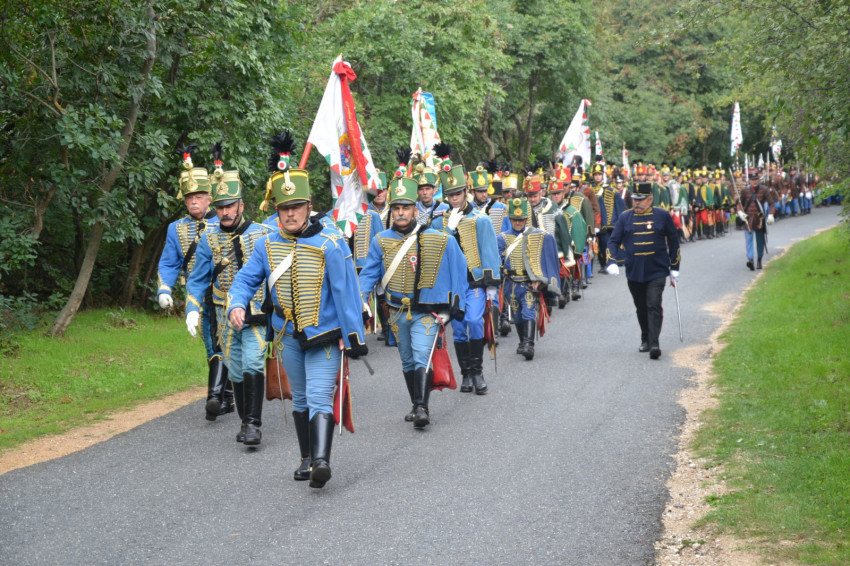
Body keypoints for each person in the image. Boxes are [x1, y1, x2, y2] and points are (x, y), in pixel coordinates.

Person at [228, 132, 366, 488]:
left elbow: (347, 293)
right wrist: (237, 303)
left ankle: (321, 461)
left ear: (308, 207)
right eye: (284, 209)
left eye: (296, 208)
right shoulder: (265, 244)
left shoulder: (331, 243)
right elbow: (244, 280)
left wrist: (353, 337)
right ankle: (306, 457)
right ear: (277, 211)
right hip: (286, 334)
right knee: (301, 397)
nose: (290, 214)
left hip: (324, 334)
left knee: (320, 394)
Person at [358, 174, 468, 427]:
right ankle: (415, 402)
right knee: (407, 359)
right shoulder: (380, 240)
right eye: (396, 208)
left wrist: (453, 306)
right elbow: (369, 275)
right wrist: (360, 299)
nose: (400, 213)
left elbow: (458, 268)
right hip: (395, 310)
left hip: (426, 310)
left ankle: (422, 407)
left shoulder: (438, 237)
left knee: (421, 355)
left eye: (405, 208)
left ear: (414, 209)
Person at [157, 145, 231, 421]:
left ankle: (218, 396)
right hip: (199, 295)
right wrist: (164, 288)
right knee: (212, 343)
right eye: (190, 197)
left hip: (229, 291)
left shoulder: (226, 222)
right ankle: (223, 395)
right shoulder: (175, 229)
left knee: (227, 343)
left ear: (210, 197)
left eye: (199, 196)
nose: (194, 202)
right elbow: (168, 262)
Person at [430, 148, 501, 395]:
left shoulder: (481, 219)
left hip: (475, 282)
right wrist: (447, 230)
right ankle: (466, 375)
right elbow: (436, 253)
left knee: (473, 321)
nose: (454, 199)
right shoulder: (439, 222)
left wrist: (491, 286)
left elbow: (489, 252)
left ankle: (478, 371)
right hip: (452, 285)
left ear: (466, 192)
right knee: (459, 327)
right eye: (450, 195)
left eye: (458, 194)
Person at [605, 182, 681, 360]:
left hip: (657, 270)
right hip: (634, 271)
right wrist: (611, 261)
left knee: (653, 304)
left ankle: (655, 343)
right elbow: (613, 241)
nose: (637, 203)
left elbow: (673, 240)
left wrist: (674, 266)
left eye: (641, 200)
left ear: (650, 199)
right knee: (641, 307)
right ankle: (645, 337)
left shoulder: (662, 216)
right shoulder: (625, 217)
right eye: (634, 199)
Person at [498, 197, 561, 360]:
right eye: (514, 220)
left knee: (528, 312)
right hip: (510, 284)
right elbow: (497, 260)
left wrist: (539, 278)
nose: (518, 223)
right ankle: (522, 341)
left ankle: (529, 344)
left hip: (528, 283)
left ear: (526, 219)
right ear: (510, 219)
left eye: (521, 220)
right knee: (517, 316)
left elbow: (543, 257)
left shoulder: (536, 236)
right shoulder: (501, 238)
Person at [736, 170, 775, 271]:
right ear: (749, 181)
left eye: (756, 179)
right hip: (748, 219)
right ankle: (751, 260)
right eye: (752, 180)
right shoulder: (745, 190)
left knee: (760, 241)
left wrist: (770, 214)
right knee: (748, 240)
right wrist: (740, 212)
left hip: (760, 218)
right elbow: (740, 203)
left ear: (759, 179)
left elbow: (771, 203)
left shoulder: (764, 189)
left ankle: (759, 260)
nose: (754, 181)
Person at [591, 162, 625, 273]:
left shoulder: (611, 191)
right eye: (595, 174)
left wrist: (620, 222)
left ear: (603, 175)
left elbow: (619, 207)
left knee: (608, 244)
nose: (597, 176)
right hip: (597, 223)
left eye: (599, 174)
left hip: (611, 223)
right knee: (601, 245)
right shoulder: (590, 190)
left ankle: (609, 262)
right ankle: (603, 264)